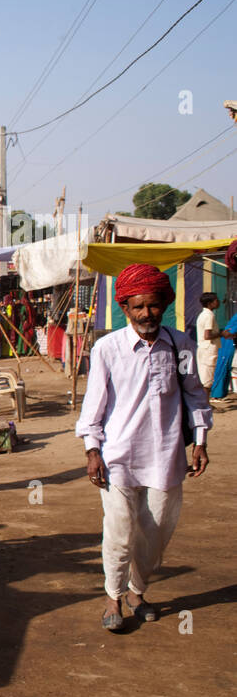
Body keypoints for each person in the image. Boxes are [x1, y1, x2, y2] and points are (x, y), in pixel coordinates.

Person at [76, 263, 212, 632]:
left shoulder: (180, 344)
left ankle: (137, 592)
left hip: (166, 457)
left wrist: (200, 441)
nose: (146, 314)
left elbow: (195, 396)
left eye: (153, 306)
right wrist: (92, 451)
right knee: (119, 531)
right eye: (138, 307)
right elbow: (94, 406)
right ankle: (113, 598)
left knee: (156, 534)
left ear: (163, 304)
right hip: (117, 457)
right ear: (125, 308)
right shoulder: (107, 348)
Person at [195, 292, 224, 389]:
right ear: (209, 303)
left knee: (205, 378)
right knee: (207, 381)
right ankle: (205, 403)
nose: (218, 302)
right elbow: (207, 335)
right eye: (216, 300)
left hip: (204, 349)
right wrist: (222, 334)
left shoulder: (203, 314)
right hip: (208, 350)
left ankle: (205, 403)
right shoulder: (209, 316)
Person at [208, 306, 237, 399]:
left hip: (229, 343)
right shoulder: (208, 315)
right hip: (228, 344)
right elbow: (229, 333)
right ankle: (216, 395)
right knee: (223, 367)